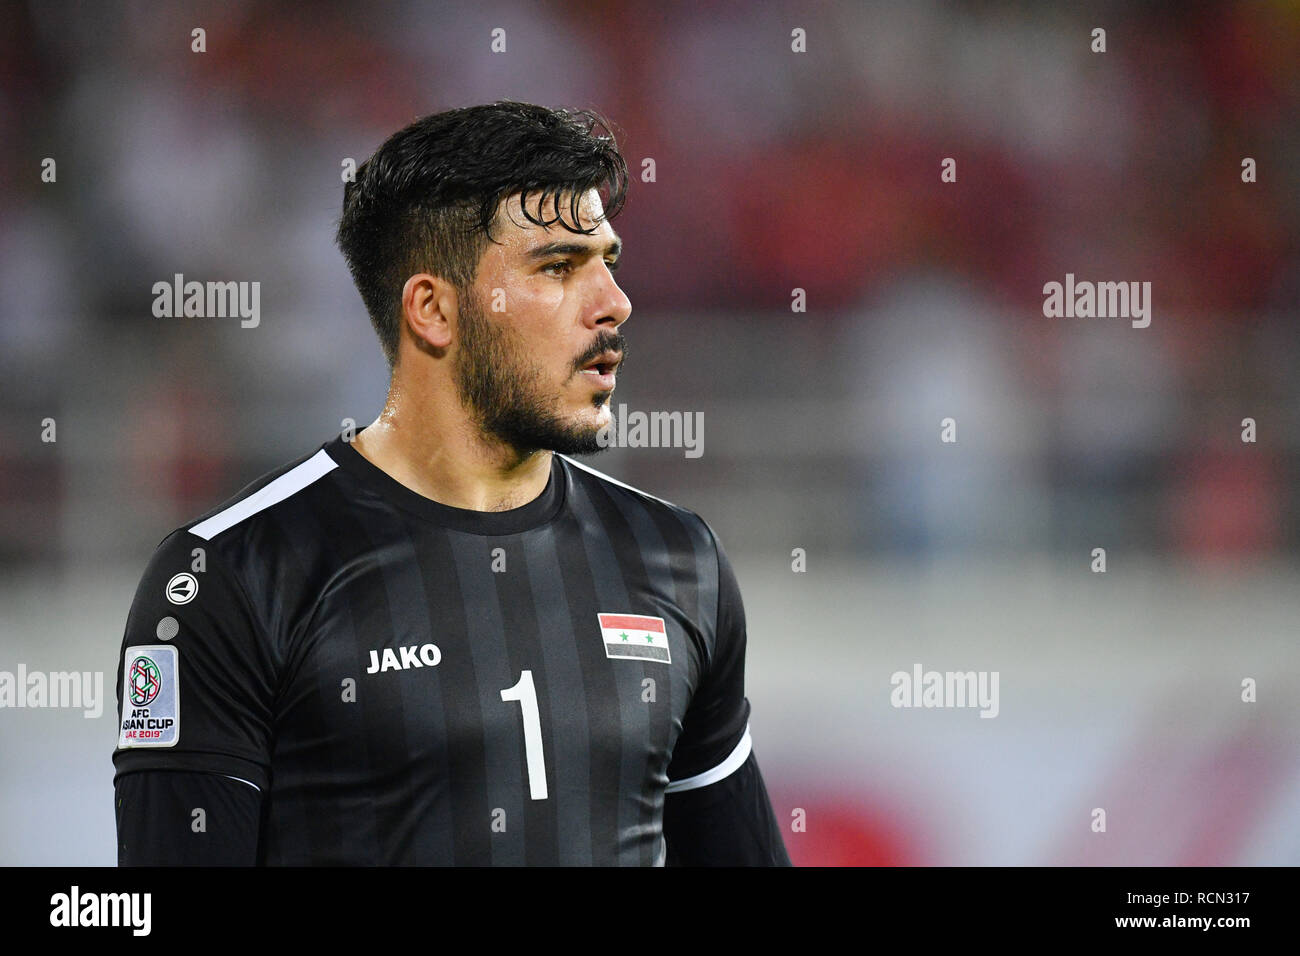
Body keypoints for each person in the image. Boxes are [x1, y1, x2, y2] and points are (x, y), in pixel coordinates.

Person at [112, 101, 790, 866]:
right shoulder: (229, 577)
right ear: (433, 310)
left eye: (609, 262)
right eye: (560, 268)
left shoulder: (677, 558)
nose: (614, 304)